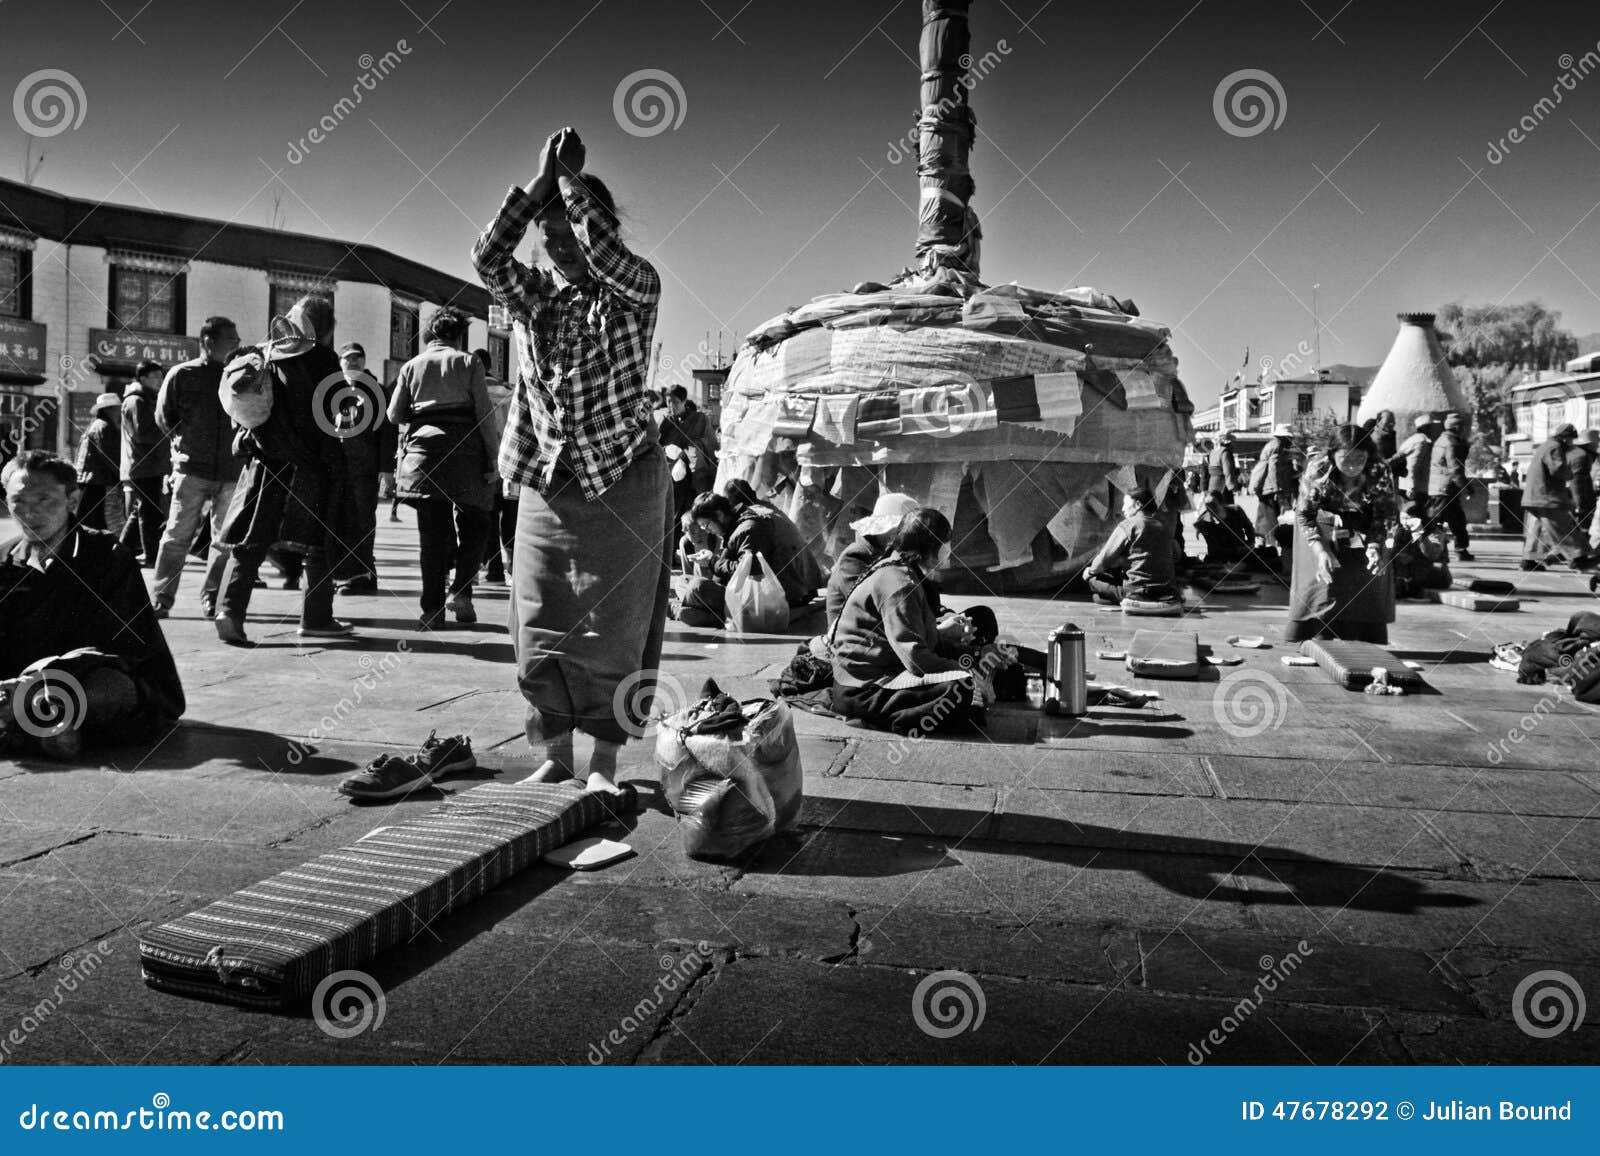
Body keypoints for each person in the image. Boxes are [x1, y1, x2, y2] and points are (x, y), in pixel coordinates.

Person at [470, 125, 672, 803]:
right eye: (549, 234)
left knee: (615, 629)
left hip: (623, 479)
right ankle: (556, 758)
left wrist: (570, 183)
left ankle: (605, 763)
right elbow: (488, 255)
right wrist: (538, 184)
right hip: (547, 482)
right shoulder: (534, 298)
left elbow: (606, 255)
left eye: (571, 232)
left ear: (597, 227)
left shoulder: (636, 289)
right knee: (537, 620)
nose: (559, 245)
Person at [0, 451, 183, 760]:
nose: (30, 513)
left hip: (83, 677)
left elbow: (125, 647)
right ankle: (37, 725)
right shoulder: (4, 561)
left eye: (44, 500)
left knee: (111, 687)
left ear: (72, 500)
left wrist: (43, 675)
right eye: (18, 501)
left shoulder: (108, 554)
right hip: (17, 686)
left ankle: (29, 724)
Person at [215, 296, 361, 644]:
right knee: (318, 542)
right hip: (311, 464)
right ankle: (316, 617)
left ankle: (229, 611)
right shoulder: (322, 358)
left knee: (251, 540)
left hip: (264, 462)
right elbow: (339, 410)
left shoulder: (266, 351)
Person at [830, 508, 988, 735]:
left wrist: (974, 657)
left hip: (877, 676)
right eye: (944, 544)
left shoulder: (902, 570)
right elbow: (916, 659)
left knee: (977, 669)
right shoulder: (899, 583)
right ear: (931, 546)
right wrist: (967, 673)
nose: (948, 550)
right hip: (863, 689)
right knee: (962, 688)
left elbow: (926, 641)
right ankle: (883, 718)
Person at [388, 308, 499, 627]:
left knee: (432, 537)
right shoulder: (469, 362)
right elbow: (484, 414)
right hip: (466, 455)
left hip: (424, 457)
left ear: (430, 334)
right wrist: (493, 459)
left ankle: (432, 611)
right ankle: (461, 592)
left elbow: (394, 415)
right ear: (459, 336)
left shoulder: (411, 366)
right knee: (476, 523)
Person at [150, 316, 243, 620]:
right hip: (192, 469)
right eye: (231, 339)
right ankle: (161, 598)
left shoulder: (240, 376)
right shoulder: (182, 374)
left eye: (237, 340)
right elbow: (164, 417)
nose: (236, 344)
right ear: (208, 342)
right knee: (177, 535)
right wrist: (185, 445)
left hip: (232, 470)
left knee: (224, 540)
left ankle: (212, 597)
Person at [1285, 424, 1397, 645]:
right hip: (1320, 523)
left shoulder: (1379, 469)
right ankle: (1316, 633)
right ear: (1332, 454)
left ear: (1368, 456)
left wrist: (1375, 546)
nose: (1353, 466)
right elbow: (1305, 514)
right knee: (1323, 582)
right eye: (1345, 459)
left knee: (1365, 578)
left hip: (1364, 524)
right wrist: (1320, 550)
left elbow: (1385, 513)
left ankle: (1362, 637)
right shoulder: (1319, 469)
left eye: (1360, 459)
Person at [676, 487, 825, 628]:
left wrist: (712, 561)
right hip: (760, 591)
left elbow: (748, 569)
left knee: (697, 587)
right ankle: (699, 612)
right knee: (683, 581)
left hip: (775, 597)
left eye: (706, 525)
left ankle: (681, 610)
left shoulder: (749, 527)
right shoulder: (738, 523)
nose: (707, 531)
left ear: (719, 515)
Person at [330, 342, 387, 595]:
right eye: (348, 359)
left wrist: (386, 469)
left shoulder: (377, 391)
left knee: (363, 521)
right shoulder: (332, 391)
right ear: (340, 362)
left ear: (364, 361)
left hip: (365, 469)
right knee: (341, 521)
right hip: (338, 469)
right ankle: (350, 573)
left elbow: (387, 432)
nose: (352, 362)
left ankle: (362, 575)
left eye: (357, 358)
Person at [825, 491, 919, 630]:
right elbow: (877, 608)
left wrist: (946, 616)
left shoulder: (900, 555)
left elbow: (923, 597)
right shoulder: (855, 558)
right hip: (857, 638)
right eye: (899, 530)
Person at [1084, 486, 1179, 604]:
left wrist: (1089, 572)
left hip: (1136, 591)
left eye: (1125, 504)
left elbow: (1104, 559)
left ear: (1138, 504)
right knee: (1100, 596)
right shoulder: (1163, 526)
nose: (1122, 509)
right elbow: (1177, 555)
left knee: (1093, 579)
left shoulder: (1129, 525)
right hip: (1166, 590)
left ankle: (1129, 598)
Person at [1520, 422, 1594, 571]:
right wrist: (1570, 474)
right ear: (1565, 438)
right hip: (1546, 497)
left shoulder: (1545, 446)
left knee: (1539, 528)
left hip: (1534, 496)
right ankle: (1578, 558)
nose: (1572, 443)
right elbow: (1558, 469)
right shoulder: (1555, 447)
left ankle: (1529, 560)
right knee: (1563, 526)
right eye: (1571, 439)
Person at [117, 360, 169, 566]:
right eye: (155, 377)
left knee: (142, 510)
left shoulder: (147, 399)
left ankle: (120, 551)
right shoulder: (136, 401)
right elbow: (142, 433)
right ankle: (151, 556)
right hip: (142, 465)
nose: (160, 380)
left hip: (149, 465)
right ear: (143, 378)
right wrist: (169, 430)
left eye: (161, 376)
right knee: (150, 513)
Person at [474, 347, 516, 586]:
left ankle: (494, 569)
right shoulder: (509, 392)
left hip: (485, 463)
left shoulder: (475, 393)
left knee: (487, 516)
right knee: (510, 517)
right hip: (510, 463)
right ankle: (513, 567)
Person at [660, 383, 719, 521]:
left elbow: (711, 444)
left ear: (684, 401)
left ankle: (703, 510)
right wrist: (668, 450)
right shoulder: (666, 422)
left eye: (675, 402)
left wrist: (686, 453)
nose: (671, 406)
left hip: (696, 467)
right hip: (671, 469)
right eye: (668, 402)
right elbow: (658, 445)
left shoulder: (699, 419)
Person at [73, 392, 124, 533]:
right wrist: (123, 477)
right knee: (107, 522)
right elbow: (111, 457)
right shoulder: (105, 427)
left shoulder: (95, 425)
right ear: (109, 409)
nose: (119, 412)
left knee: (89, 522)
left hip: (90, 482)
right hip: (101, 482)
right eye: (117, 408)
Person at [1425, 412, 1474, 562]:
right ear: (1457, 427)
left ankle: (1454, 550)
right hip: (1446, 488)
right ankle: (1440, 551)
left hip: (1437, 487)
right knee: (1446, 522)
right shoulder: (1452, 443)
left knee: (1453, 520)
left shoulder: (1441, 440)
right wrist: (1466, 487)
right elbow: (1455, 468)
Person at [1253, 422, 1299, 554]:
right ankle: (1267, 546)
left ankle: (1264, 543)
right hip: (1271, 489)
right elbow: (1273, 469)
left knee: (1266, 516)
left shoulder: (1274, 444)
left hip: (1267, 488)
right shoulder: (1278, 446)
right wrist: (1277, 489)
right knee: (1270, 518)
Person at [1391, 412, 1436, 520]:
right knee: (1415, 520)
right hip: (1414, 489)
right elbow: (1413, 466)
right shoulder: (1422, 442)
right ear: (1426, 428)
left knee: (1412, 519)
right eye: (1431, 427)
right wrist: (1411, 488)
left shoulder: (1414, 440)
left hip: (1409, 486)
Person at [1568, 428, 1598, 550]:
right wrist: (1579, 503)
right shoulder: (1583, 456)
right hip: (1580, 500)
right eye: (1597, 442)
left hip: (1582, 498)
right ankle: (1581, 554)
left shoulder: (1580, 454)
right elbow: (1576, 481)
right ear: (1591, 443)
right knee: (1582, 528)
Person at [1207, 430, 1239, 498]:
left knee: (1212, 497)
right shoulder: (1225, 452)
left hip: (1212, 478)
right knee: (1216, 498)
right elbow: (1227, 469)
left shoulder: (1213, 452)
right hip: (1220, 479)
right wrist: (1231, 484)